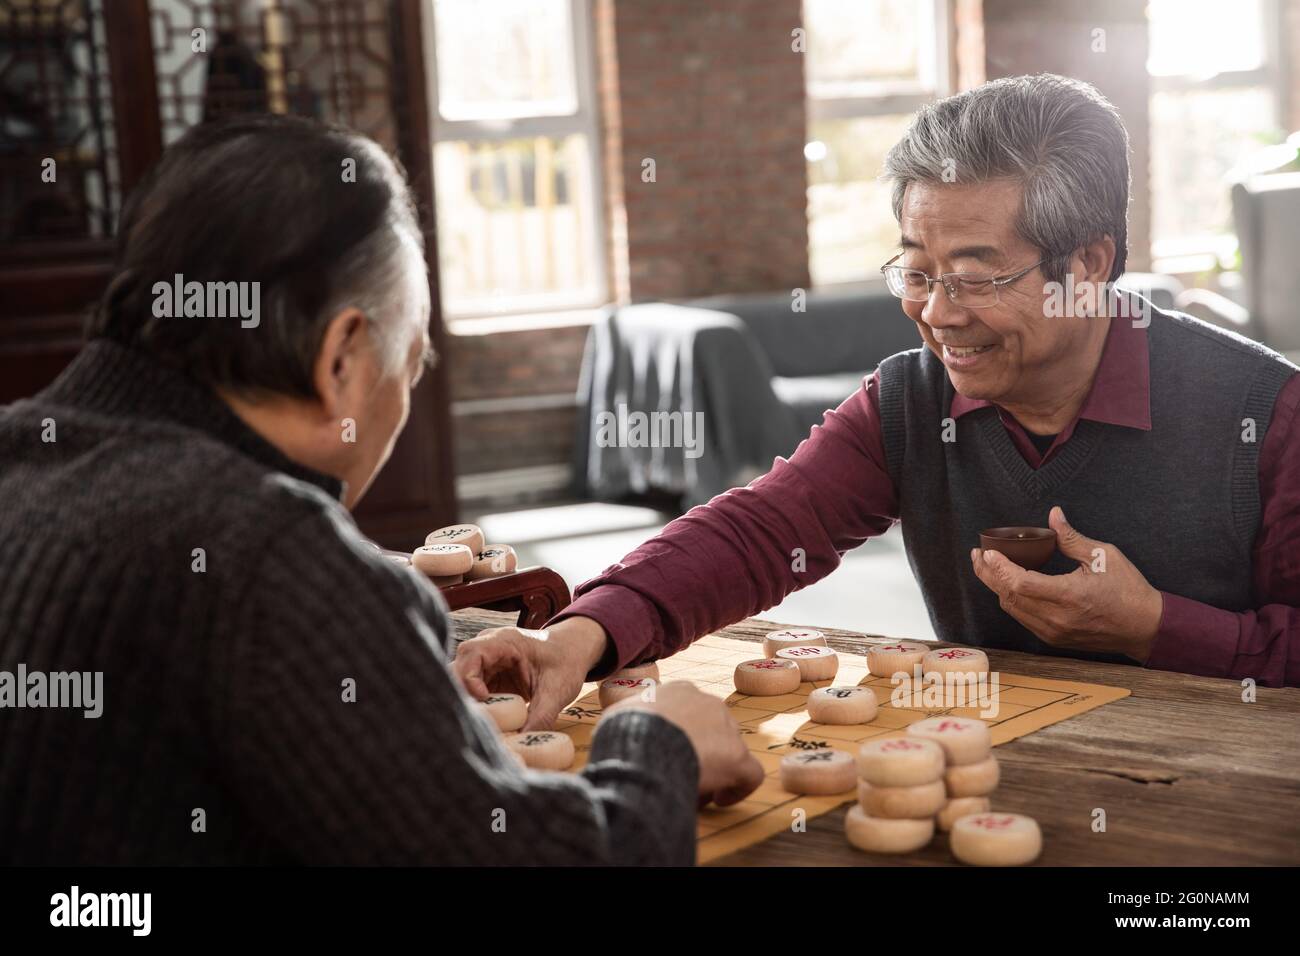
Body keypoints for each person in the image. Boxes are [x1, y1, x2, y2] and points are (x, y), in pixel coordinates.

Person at [0, 114, 762, 865]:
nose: (404, 391)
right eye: (412, 361)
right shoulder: (276, 560)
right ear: (341, 359)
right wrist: (658, 747)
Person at [455, 74, 1300, 713]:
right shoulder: (910, 401)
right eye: (918, 272)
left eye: (975, 277)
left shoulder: (1268, 415)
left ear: (1087, 264)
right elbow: (761, 531)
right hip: (989, 771)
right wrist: (578, 636)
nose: (938, 314)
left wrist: (1155, 626)